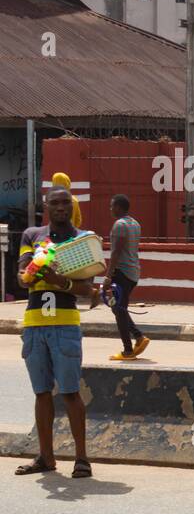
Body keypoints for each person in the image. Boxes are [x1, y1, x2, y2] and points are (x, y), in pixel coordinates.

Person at [13, 187, 95, 479]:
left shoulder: (82, 240)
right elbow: (22, 277)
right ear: (46, 206)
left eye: (65, 203)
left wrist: (61, 281)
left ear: (72, 207)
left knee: (71, 392)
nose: (60, 208)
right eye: (54, 203)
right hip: (35, 324)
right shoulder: (32, 236)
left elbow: (89, 288)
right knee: (41, 392)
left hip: (65, 324)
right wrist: (33, 272)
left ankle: (82, 459)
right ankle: (46, 457)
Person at [101, 194, 149, 361]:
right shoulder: (134, 223)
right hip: (133, 272)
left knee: (119, 311)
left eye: (112, 206)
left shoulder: (120, 225)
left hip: (121, 272)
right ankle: (139, 337)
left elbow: (116, 252)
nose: (110, 209)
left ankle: (128, 351)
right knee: (117, 307)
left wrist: (108, 276)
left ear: (119, 208)